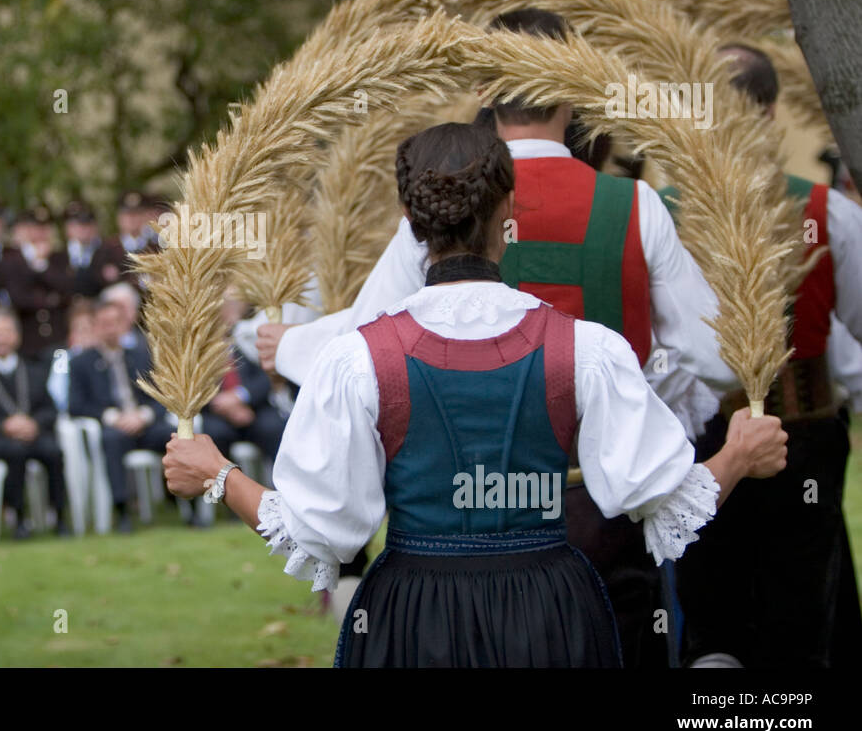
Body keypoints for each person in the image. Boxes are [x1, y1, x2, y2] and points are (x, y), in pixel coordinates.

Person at [164, 122, 789, 667]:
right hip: (551, 611)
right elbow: (664, 500)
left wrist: (219, 476)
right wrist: (738, 454)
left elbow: (320, 534)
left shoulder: (356, 359)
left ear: (411, 223)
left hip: (414, 616)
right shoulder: (588, 349)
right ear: (508, 213)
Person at [254, 9, 740, 668]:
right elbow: (715, 358)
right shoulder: (633, 205)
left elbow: (370, 335)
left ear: (486, 89)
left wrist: (286, 346)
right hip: (602, 517)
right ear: (573, 88)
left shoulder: (441, 194)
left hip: (443, 538)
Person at [668, 43, 862, 667]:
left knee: (712, 616)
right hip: (800, 440)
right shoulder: (826, 209)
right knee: (801, 620)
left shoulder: (660, 213)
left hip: (703, 442)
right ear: (774, 112)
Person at [0, 308, 69, 538]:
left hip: (34, 435)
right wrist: (5, 426)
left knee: (54, 451)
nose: (1, 338)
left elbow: (49, 409)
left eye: (6, 331)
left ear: (16, 336)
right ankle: (18, 519)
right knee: (16, 453)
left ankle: (59, 516)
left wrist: (33, 424)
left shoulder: (34, 371)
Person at [69, 299, 169, 532]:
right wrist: (112, 417)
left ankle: (191, 505)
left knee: (173, 435)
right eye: (104, 323)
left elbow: (163, 396)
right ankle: (122, 510)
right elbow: (76, 405)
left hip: (144, 424)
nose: (110, 328)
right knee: (112, 440)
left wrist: (143, 415)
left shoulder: (142, 356)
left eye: (115, 322)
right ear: (95, 326)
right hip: (114, 427)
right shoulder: (80, 363)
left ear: (124, 324)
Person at [199, 291, 286, 463]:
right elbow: (194, 385)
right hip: (215, 413)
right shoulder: (197, 351)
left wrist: (240, 397)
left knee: (274, 426)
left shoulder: (244, 341)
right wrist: (225, 405)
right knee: (214, 435)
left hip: (252, 407)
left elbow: (264, 378)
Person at [2, 205, 73, 360]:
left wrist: (42, 267)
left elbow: (66, 291)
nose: (40, 232)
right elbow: (18, 297)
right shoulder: (12, 259)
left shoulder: (59, 256)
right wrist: (49, 300)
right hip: (28, 341)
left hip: (58, 337)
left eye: (45, 227)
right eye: (35, 227)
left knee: (60, 378)